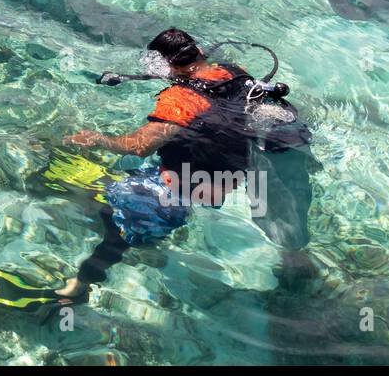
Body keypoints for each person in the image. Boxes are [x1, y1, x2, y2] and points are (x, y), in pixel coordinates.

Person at [54, 29, 315, 302]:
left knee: (116, 227)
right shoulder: (234, 71)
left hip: (183, 184)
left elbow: (140, 146)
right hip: (230, 172)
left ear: (167, 66)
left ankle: (80, 285)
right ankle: (295, 260)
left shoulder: (180, 99)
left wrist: (98, 139)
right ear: (200, 52)